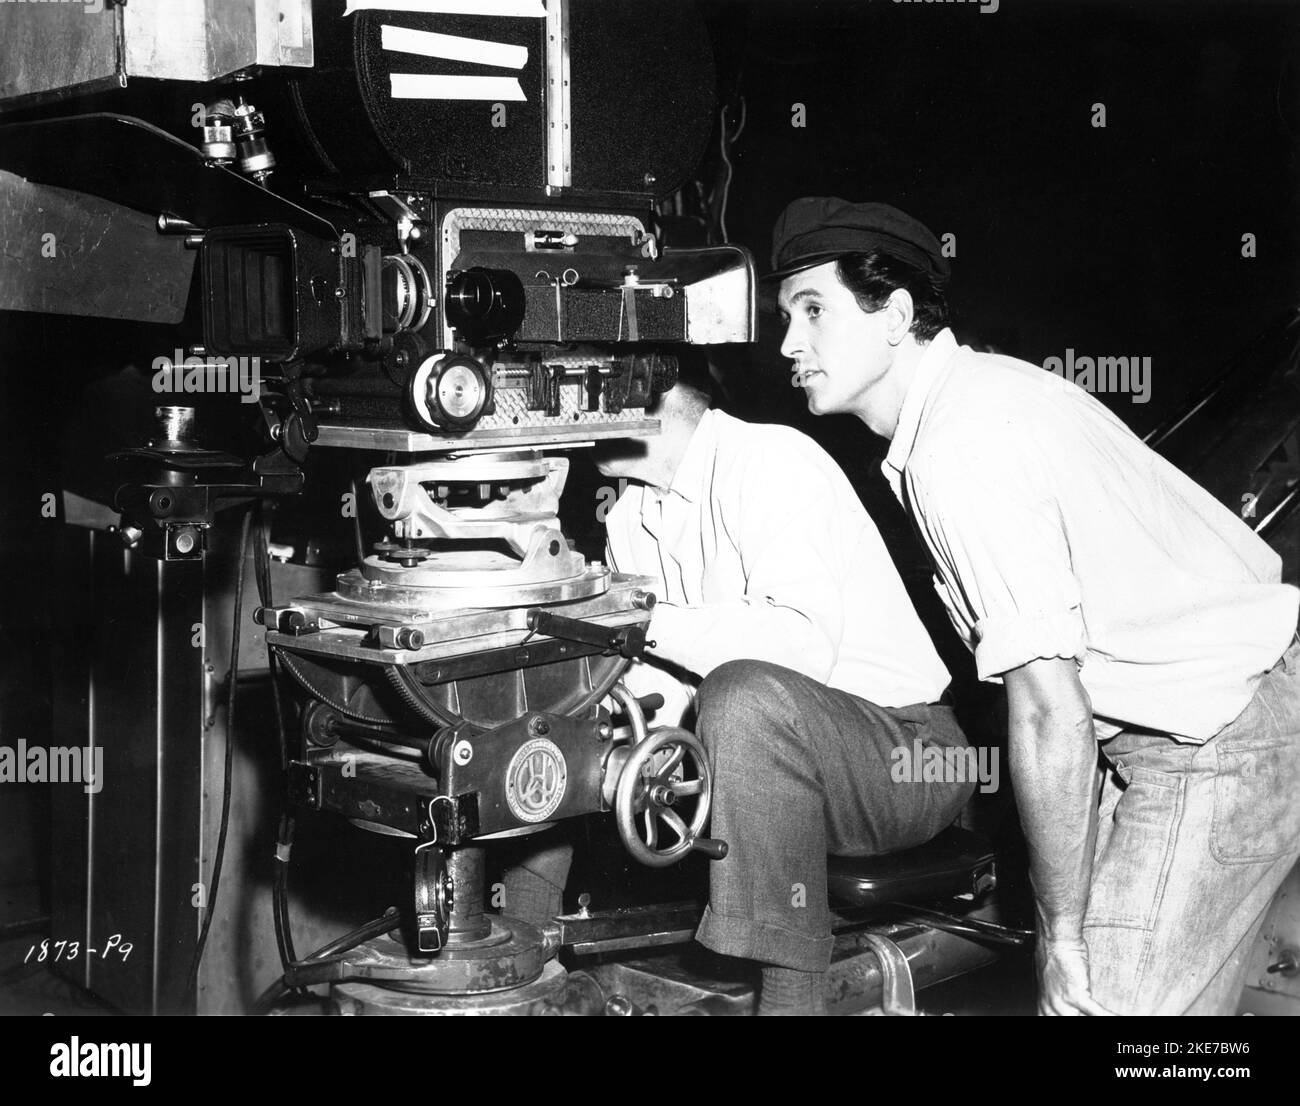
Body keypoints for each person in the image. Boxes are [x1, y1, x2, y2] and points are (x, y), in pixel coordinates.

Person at [769, 195, 1300, 1015]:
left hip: (1217, 733)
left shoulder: (962, 446)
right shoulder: (979, 398)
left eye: (814, 311)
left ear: (895, 315)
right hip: (1211, 716)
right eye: (785, 316)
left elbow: (1053, 713)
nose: (788, 344)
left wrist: (1063, 937)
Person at [502, 365, 974, 1015]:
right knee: (567, 712)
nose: (564, 423)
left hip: (909, 756)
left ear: (647, 390)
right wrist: (589, 703)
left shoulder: (771, 459)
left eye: (577, 399)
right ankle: (520, 973)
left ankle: (791, 1001)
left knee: (745, 698)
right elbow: (661, 689)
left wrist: (636, 622)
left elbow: (799, 647)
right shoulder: (633, 512)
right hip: (769, 758)